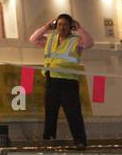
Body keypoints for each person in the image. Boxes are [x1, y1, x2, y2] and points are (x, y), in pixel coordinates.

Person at [28, 13, 94, 148]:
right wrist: (46, 27)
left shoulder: (76, 40)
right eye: (58, 24)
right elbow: (33, 39)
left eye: (64, 24)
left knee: (73, 113)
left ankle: (80, 141)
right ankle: (48, 138)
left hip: (68, 82)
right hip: (52, 80)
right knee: (50, 112)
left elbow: (89, 43)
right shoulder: (50, 38)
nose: (61, 27)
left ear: (71, 26)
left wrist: (80, 29)